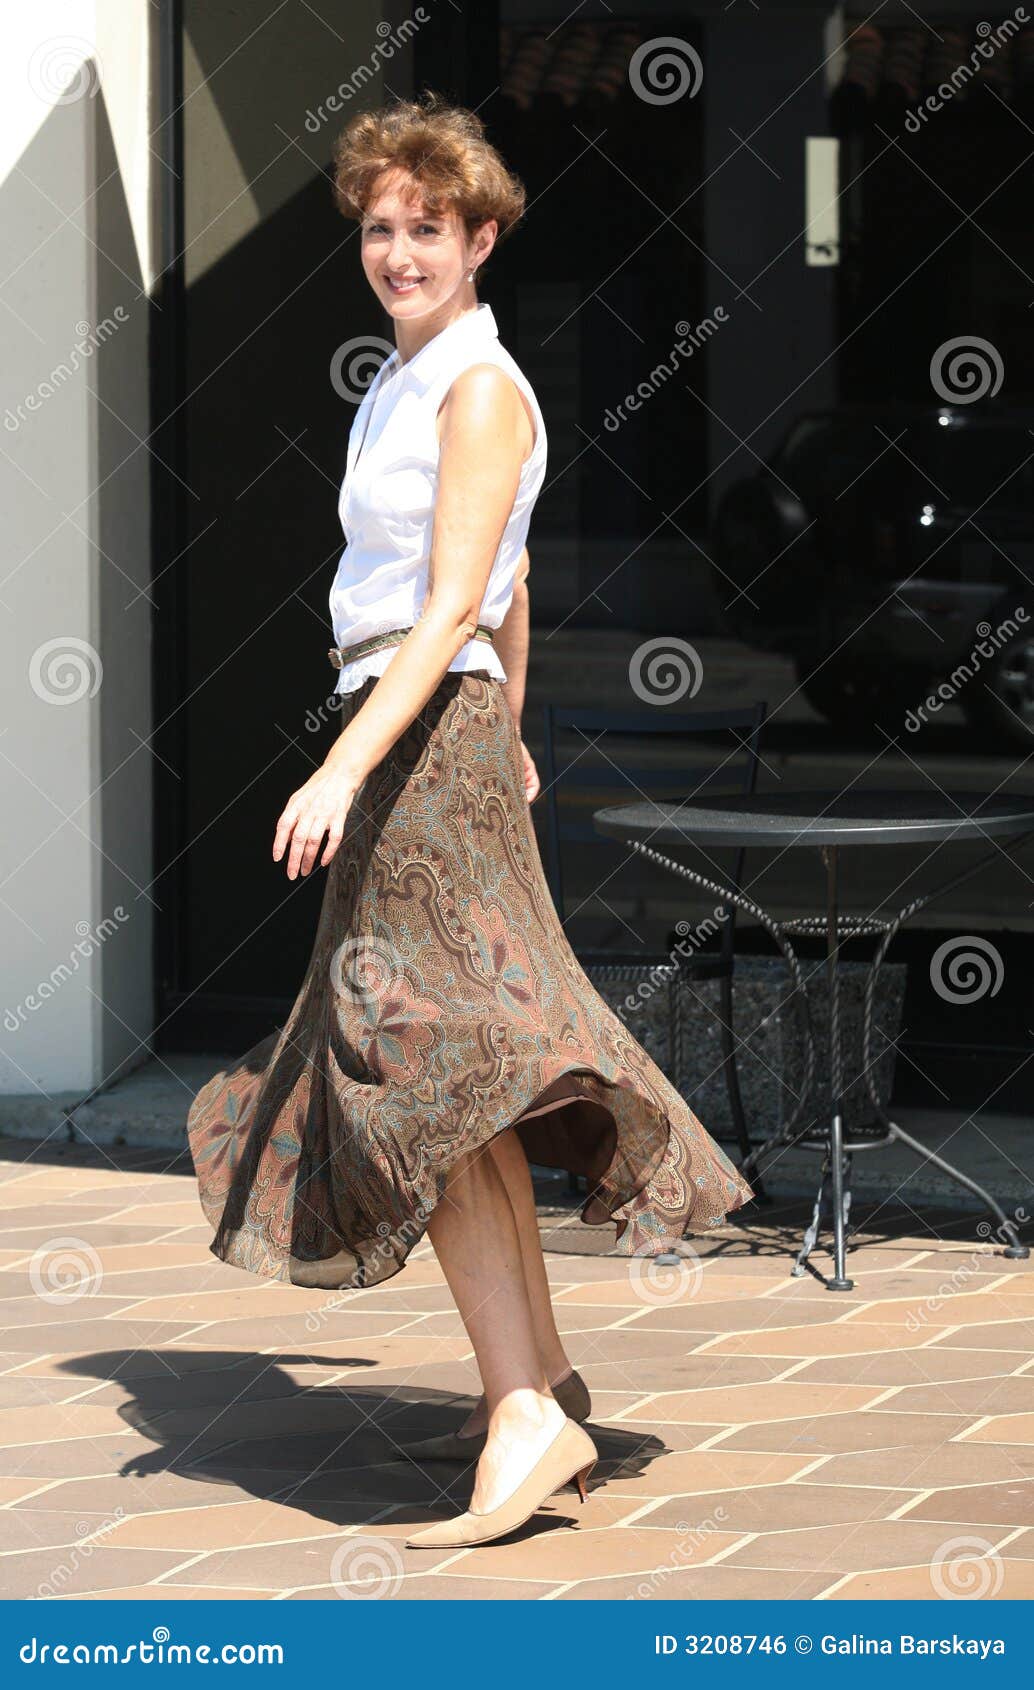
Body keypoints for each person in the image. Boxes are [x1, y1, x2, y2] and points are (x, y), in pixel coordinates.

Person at [185, 90, 754, 1552]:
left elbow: (452, 604)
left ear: (480, 234)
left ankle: (520, 1409)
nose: (396, 250)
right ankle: (541, 1384)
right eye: (377, 228)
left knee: (426, 1078)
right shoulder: (407, 377)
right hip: (436, 737)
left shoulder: (480, 390)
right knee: (454, 1081)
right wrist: (510, 731)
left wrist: (354, 763)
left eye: (425, 228)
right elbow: (495, 583)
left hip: (410, 740)